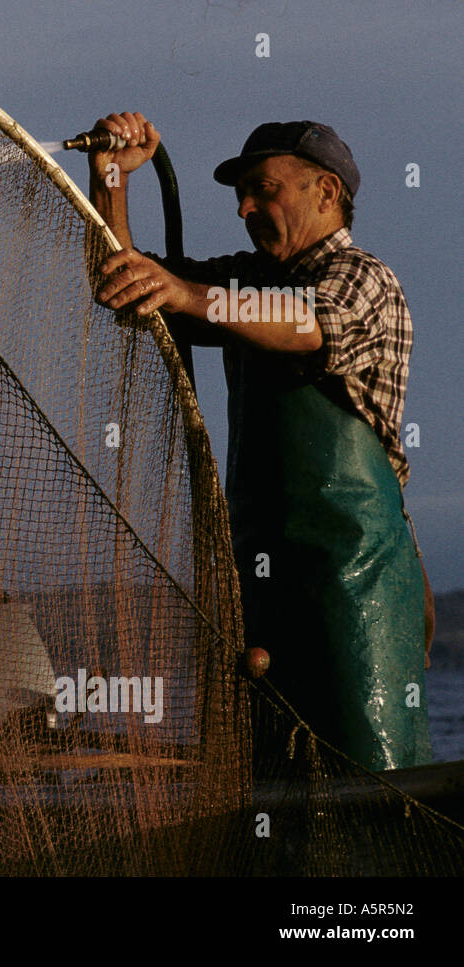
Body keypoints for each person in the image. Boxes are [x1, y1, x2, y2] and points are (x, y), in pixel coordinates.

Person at [87, 112, 431, 771]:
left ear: (325, 192)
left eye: (264, 188)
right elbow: (125, 280)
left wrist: (188, 294)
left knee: (375, 784)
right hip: (265, 588)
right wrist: (111, 173)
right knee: (275, 780)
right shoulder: (248, 282)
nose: (245, 206)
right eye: (240, 193)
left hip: (357, 592)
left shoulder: (364, 279)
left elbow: (307, 325)